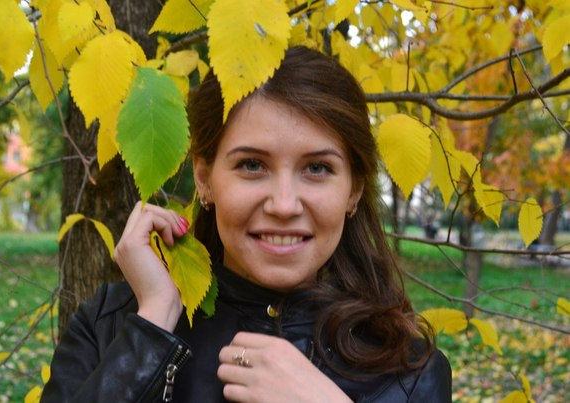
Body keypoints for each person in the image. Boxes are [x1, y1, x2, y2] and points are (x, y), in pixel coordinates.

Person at [41, 46, 451, 402]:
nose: (284, 205)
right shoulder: (110, 326)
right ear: (204, 178)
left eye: (317, 168)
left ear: (354, 190)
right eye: (252, 165)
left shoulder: (411, 372)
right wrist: (152, 326)